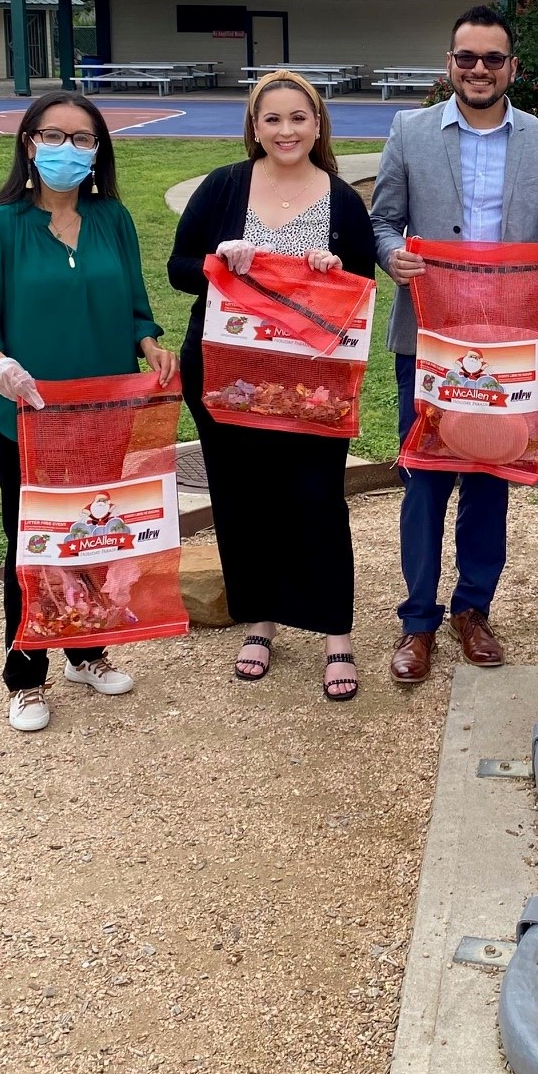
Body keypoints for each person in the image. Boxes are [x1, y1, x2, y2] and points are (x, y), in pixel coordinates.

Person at [371, 5, 538, 684]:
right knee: (426, 477)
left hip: (510, 338)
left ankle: (474, 609)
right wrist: (392, 257)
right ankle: (417, 621)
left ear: (512, 68)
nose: (479, 69)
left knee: (493, 474)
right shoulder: (410, 131)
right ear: (450, 65)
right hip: (429, 336)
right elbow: (383, 221)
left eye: (493, 58)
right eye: (466, 58)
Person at [0, 91, 178, 734]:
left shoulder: (114, 218)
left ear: (98, 152)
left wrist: (149, 345)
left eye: (83, 139)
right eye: (54, 136)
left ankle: (85, 649)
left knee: (94, 531)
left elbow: (137, 306)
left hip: (103, 410)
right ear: (29, 143)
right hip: (28, 414)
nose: (69, 149)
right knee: (33, 542)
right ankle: (25, 674)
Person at [168, 69, 376, 700]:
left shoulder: (341, 199)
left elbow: (363, 287)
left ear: (318, 125)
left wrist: (332, 272)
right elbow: (180, 270)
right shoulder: (226, 186)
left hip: (310, 389)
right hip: (227, 382)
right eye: (273, 119)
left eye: (298, 118)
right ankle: (259, 619)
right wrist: (218, 262)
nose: (286, 130)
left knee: (314, 501)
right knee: (243, 501)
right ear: (254, 128)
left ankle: (335, 632)